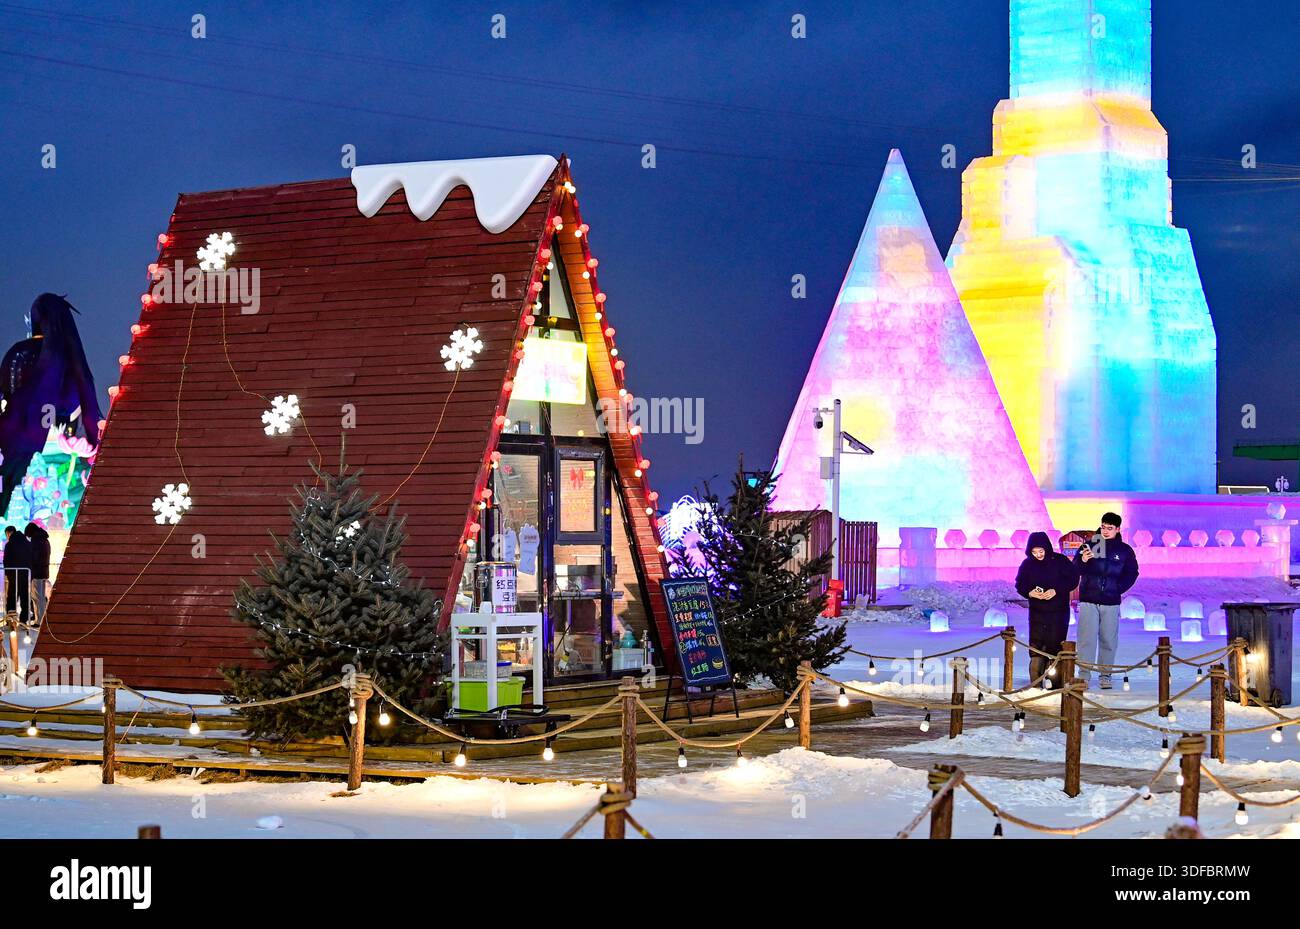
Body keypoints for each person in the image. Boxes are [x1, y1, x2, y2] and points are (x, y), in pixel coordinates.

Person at [1073, 512, 1139, 690]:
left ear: (1118, 529)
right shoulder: (1090, 544)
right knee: (1086, 639)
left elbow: (1132, 573)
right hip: (1089, 598)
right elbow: (1075, 568)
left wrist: (1118, 588)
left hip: (1111, 601)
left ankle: (1105, 675)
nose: (1106, 531)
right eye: (1103, 527)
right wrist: (1083, 560)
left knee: (1108, 640)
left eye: (1110, 528)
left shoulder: (1124, 550)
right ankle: (1084, 675)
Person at [1014, 531, 1078, 687]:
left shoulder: (1060, 561)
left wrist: (1056, 590)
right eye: (1034, 552)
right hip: (1037, 614)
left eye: (1041, 551)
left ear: (1047, 548)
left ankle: (1055, 683)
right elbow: (1020, 584)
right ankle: (1035, 683)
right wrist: (1030, 592)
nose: (1038, 555)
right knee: (1037, 646)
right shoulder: (1027, 564)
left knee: (1055, 646)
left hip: (1058, 612)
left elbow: (1073, 579)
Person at [2, 525, 33, 626]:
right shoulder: (27, 543)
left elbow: (6, 560)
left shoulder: (9, 545)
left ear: (9, 533)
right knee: (24, 597)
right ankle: (24, 620)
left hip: (13, 574)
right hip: (25, 574)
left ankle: (11, 620)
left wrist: (7, 573)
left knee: (12, 597)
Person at [24, 522, 50, 625]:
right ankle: (41, 619)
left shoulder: (36, 540)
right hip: (43, 571)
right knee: (41, 597)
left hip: (37, 572)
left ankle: (40, 621)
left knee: (37, 598)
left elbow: (34, 557)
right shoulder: (44, 539)